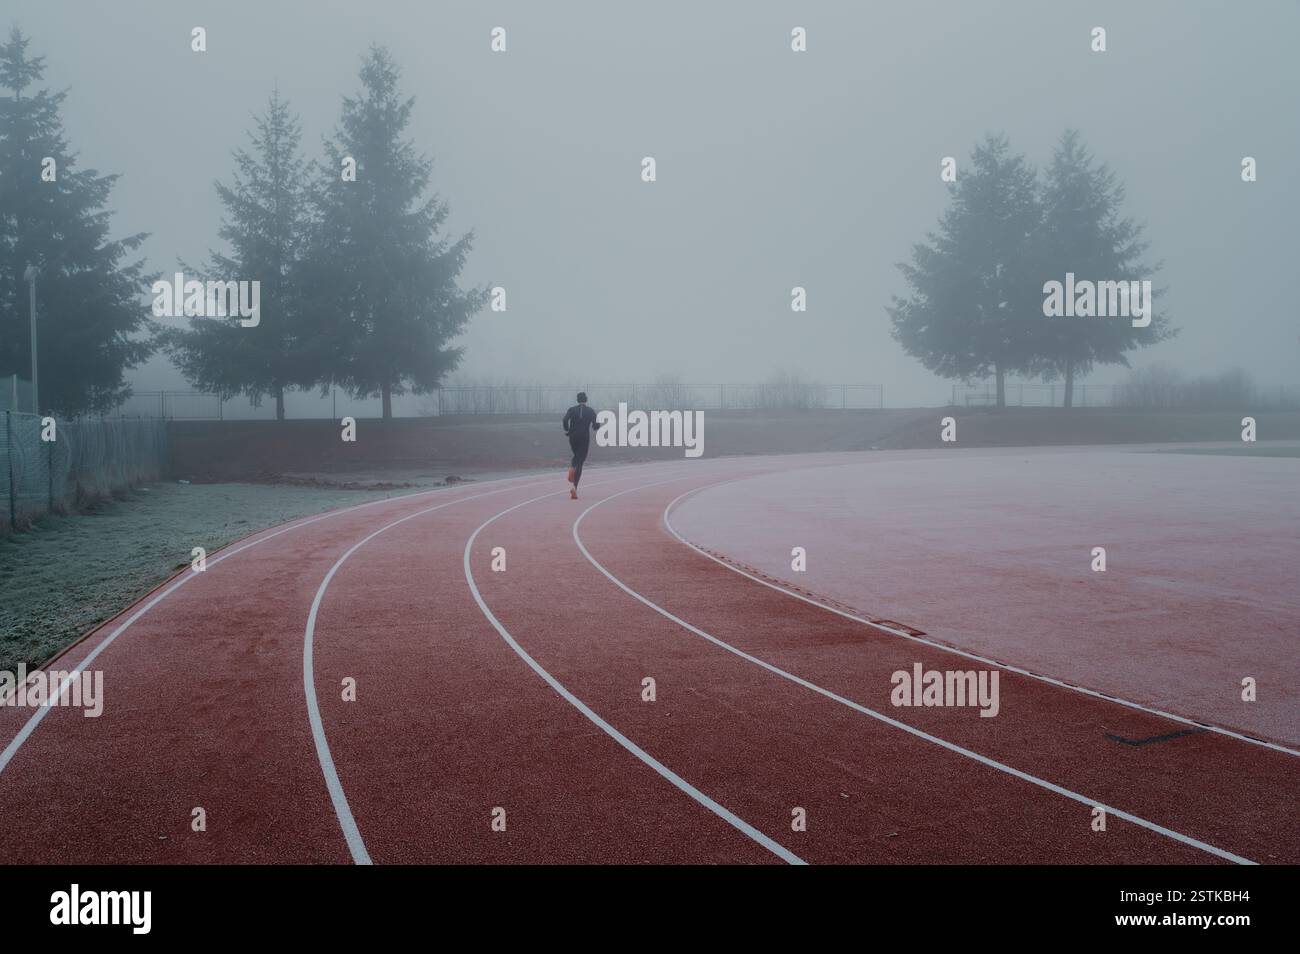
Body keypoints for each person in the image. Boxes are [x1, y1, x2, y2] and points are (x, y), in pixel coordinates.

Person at [562, 392, 599, 499]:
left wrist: (567, 429)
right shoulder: (590, 411)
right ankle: (574, 487)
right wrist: (595, 426)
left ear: (577, 400)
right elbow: (596, 425)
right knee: (580, 461)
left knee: (576, 456)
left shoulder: (572, 410)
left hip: (573, 437)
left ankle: (572, 467)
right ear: (586, 400)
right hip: (584, 438)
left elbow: (565, 420)